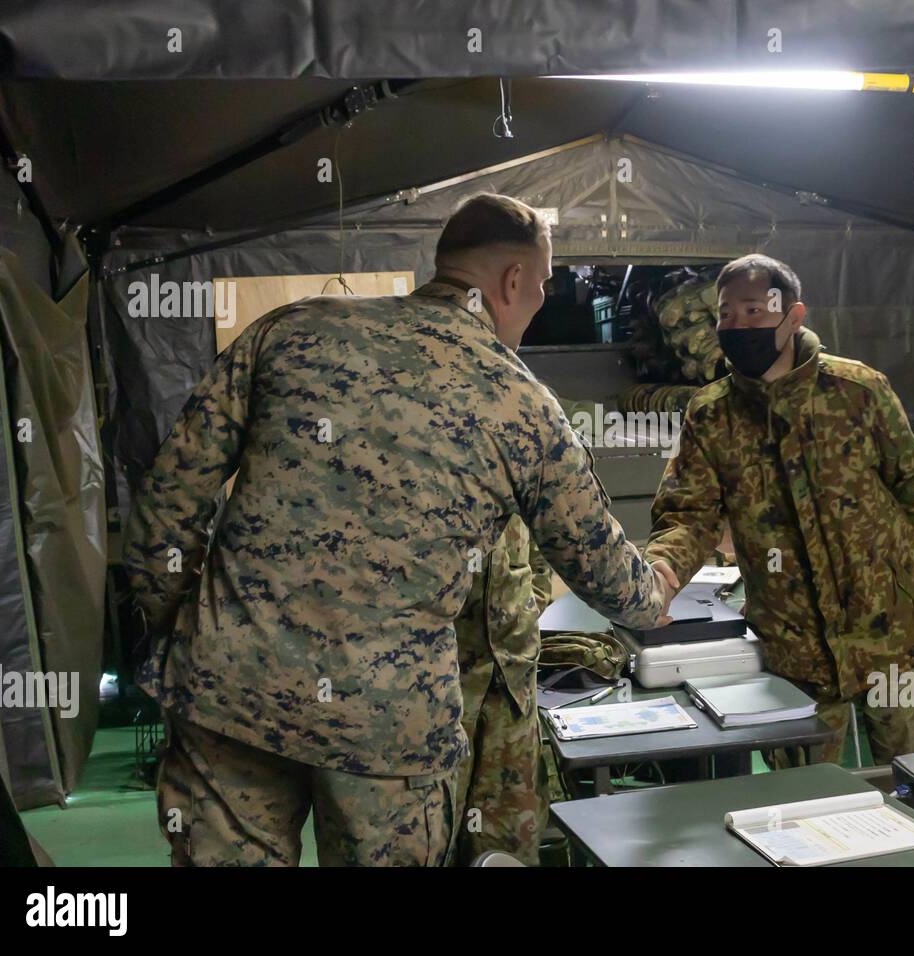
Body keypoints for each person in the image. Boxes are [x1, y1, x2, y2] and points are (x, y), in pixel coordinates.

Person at [124, 192, 677, 866]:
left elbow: (163, 507)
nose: (536, 305)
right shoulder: (523, 403)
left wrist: (188, 629)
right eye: (540, 287)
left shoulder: (290, 331)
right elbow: (610, 578)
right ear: (512, 282)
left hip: (227, 696)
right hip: (386, 728)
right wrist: (657, 592)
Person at [646, 254, 914, 767]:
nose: (737, 325)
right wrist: (662, 570)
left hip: (895, 635)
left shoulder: (859, 391)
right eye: (726, 314)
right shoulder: (712, 414)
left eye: (753, 311)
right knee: (806, 808)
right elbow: (688, 514)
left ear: (793, 317)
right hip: (795, 647)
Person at [450, 516, 552, 866]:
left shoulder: (517, 465)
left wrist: (526, 612)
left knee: (510, 842)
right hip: (439, 693)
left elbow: (538, 556)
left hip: (510, 689)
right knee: (427, 841)